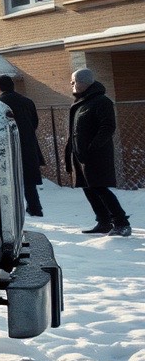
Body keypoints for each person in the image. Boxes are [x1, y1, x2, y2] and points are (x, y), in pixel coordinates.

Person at [66, 68, 130, 237]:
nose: (71, 84)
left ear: (85, 82)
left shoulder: (101, 101)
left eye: (74, 81)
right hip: (81, 156)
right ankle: (103, 221)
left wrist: (93, 147)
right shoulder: (82, 103)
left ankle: (122, 222)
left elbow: (108, 127)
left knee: (100, 188)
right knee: (88, 188)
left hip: (96, 155)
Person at [0, 75, 44, 218]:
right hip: (29, 144)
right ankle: (35, 207)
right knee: (29, 180)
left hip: (9, 145)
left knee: (10, 179)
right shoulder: (27, 102)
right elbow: (35, 123)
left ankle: (14, 209)